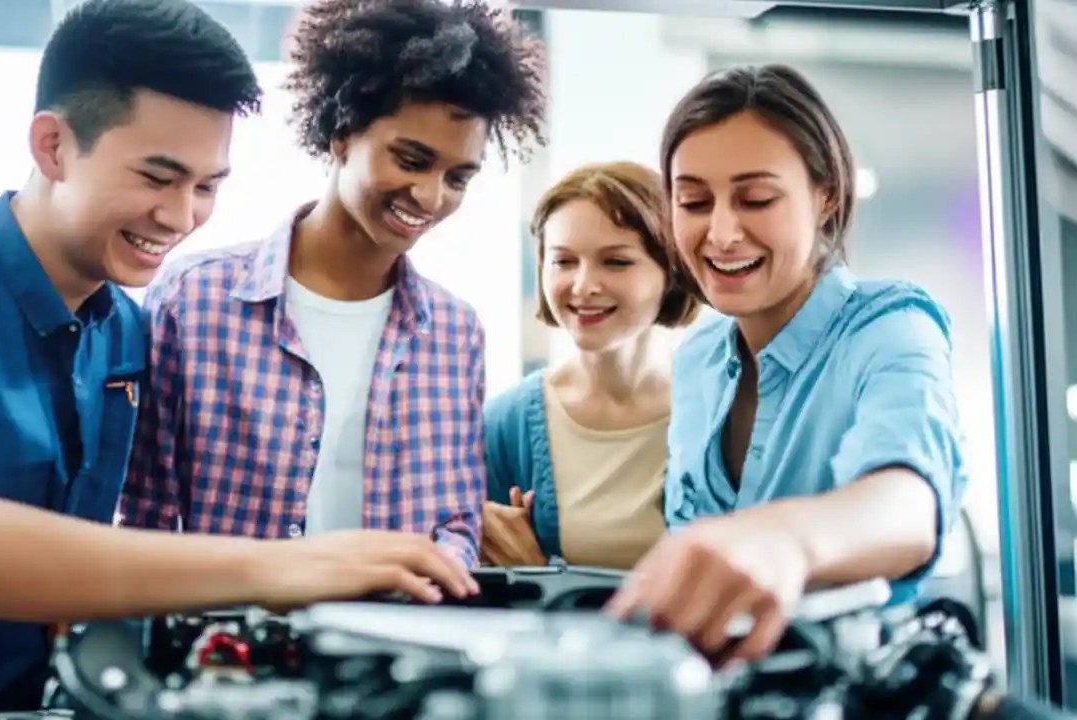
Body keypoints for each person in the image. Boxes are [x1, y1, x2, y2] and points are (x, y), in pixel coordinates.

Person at [0, 3, 476, 719]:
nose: (181, 217)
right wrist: (284, 565)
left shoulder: (126, 334)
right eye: (156, 176)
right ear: (53, 145)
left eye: (206, 186)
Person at [119, 0, 548, 568]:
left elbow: (456, 523)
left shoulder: (454, 332)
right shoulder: (194, 300)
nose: (431, 196)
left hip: (394, 646)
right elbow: (148, 513)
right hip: (227, 644)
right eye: (411, 159)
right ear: (342, 133)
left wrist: (444, 560)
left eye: (457, 177)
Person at [605, 64, 969, 665]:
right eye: (693, 200)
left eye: (756, 199)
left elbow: (909, 506)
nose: (720, 233)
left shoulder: (890, 326)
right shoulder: (697, 361)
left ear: (824, 196)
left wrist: (787, 539)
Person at [481, 162, 700, 570]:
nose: (583, 286)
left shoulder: (723, 412)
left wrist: (545, 573)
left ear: (672, 270)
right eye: (564, 262)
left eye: (616, 262)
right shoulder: (503, 425)